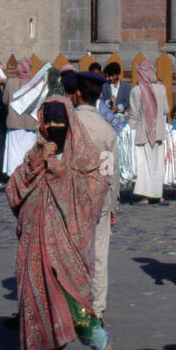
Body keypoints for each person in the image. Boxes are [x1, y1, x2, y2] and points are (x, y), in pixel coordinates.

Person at [6, 98, 113, 350]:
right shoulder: (35, 153)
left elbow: (94, 193)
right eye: (48, 127)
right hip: (33, 244)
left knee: (75, 305)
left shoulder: (85, 156)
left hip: (68, 244)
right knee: (34, 306)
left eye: (59, 127)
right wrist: (39, 161)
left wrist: (58, 169)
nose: (54, 132)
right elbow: (14, 190)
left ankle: (100, 343)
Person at [70, 70, 119, 317]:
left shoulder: (66, 125)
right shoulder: (107, 130)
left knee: (70, 253)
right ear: (100, 95)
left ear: (77, 94)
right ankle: (97, 309)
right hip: (99, 201)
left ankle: (70, 305)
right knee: (99, 255)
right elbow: (111, 173)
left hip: (69, 201)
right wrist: (113, 206)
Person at [129, 59, 168, 205]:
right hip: (158, 132)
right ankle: (158, 195)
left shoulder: (136, 91)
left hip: (142, 132)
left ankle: (145, 196)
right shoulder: (161, 88)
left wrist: (130, 131)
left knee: (144, 164)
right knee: (158, 164)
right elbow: (166, 110)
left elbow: (134, 114)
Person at [3, 60, 41, 177]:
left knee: (14, 154)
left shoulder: (10, 83)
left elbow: (4, 100)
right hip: (30, 124)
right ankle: (27, 177)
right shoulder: (35, 84)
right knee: (28, 153)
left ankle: (14, 178)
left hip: (15, 123)